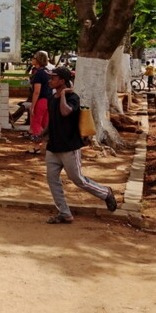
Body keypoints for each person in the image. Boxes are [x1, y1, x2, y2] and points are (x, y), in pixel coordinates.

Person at [40, 67, 118, 224]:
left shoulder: (72, 98)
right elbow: (53, 119)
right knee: (52, 180)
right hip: (53, 147)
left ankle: (105, 192)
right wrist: (41, 134)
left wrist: (62, 95)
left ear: (62, 81)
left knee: (77, 179)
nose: (50, 80)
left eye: (53, 78)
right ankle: (64, 212)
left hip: (69, 146)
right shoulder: (51, 97)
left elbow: (65, 112)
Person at [26, 51, 54, 154]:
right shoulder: (47, 72)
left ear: (38, 60)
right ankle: (46, 145)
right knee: (45, 123)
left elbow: (37, 91)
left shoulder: (39, 73)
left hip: (41, 100)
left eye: (34, 58)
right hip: (49, 100)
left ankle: (36, 146)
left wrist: (33, 106)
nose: (32, 60)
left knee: (36, 123)